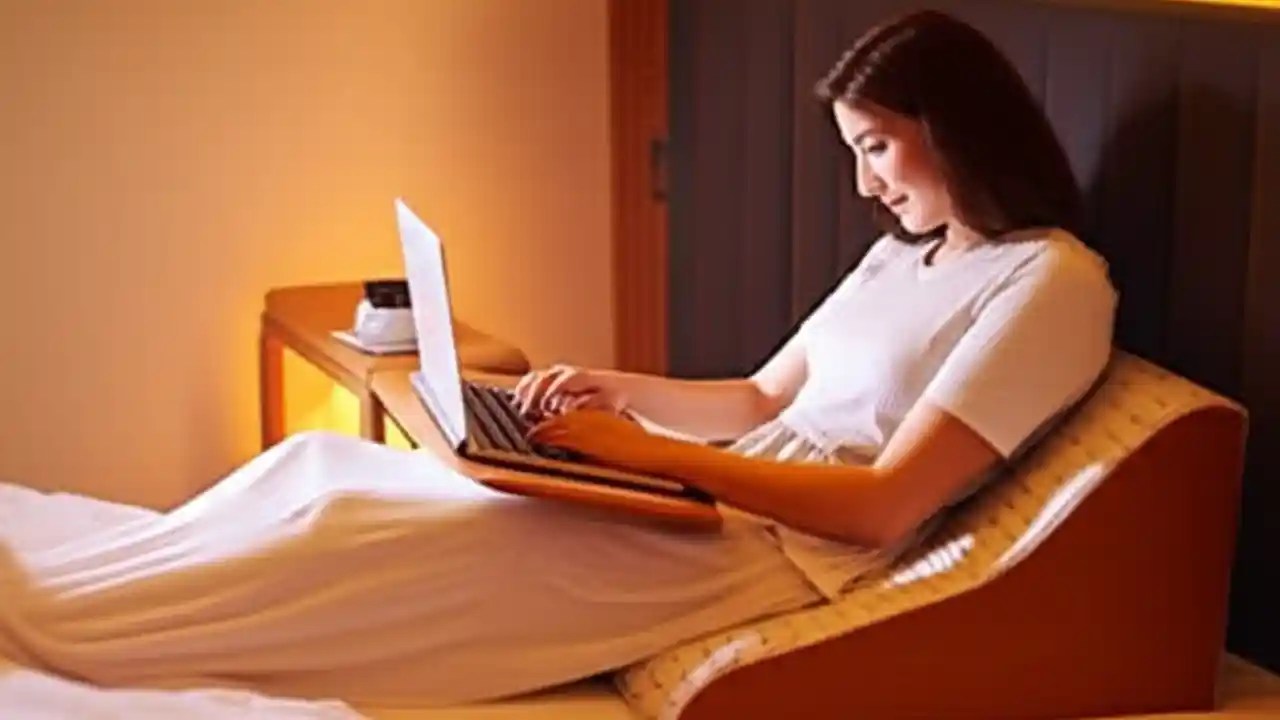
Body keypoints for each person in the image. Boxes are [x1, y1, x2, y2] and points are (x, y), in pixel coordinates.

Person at [0, 8, 1115, 711]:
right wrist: (609, 391)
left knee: (345, 528)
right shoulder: (906, 255)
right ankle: (51, 593)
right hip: (703, 497)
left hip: (761, 550)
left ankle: (53, 625)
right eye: (854, 152)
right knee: (320, 470)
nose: (866, 184)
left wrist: (642, 455)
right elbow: (756, 398)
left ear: (954, 126)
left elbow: (881, 508)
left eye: (876, 147)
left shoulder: (1051, 284)